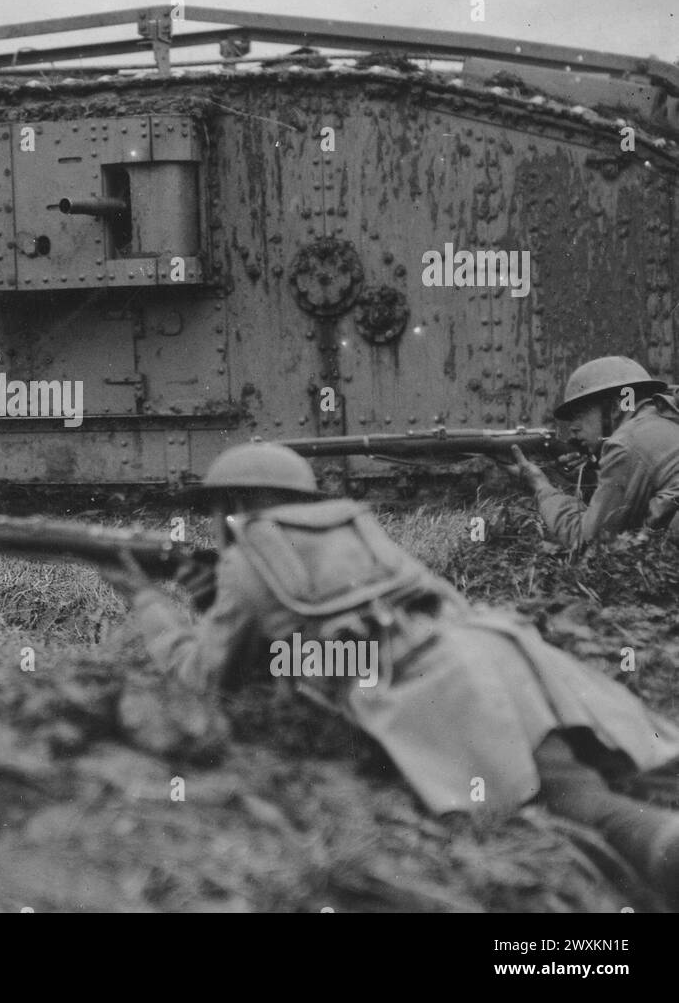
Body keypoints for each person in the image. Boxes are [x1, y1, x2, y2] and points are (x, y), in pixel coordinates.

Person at [102, 442, 679, 899]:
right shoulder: (355, 528)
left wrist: (146, 601)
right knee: (578, 780)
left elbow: (200, 677)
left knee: (563, 806)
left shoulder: (249, 557)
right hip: (490, 652)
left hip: (430, 684)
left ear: (232, 507)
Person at [507, 356, 679, 548]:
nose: (573, 428)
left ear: (614, 407)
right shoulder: (664, 421)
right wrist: (592, 474)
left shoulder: (625, 444)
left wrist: (541, 487)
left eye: (579, 415)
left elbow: (588, 541)